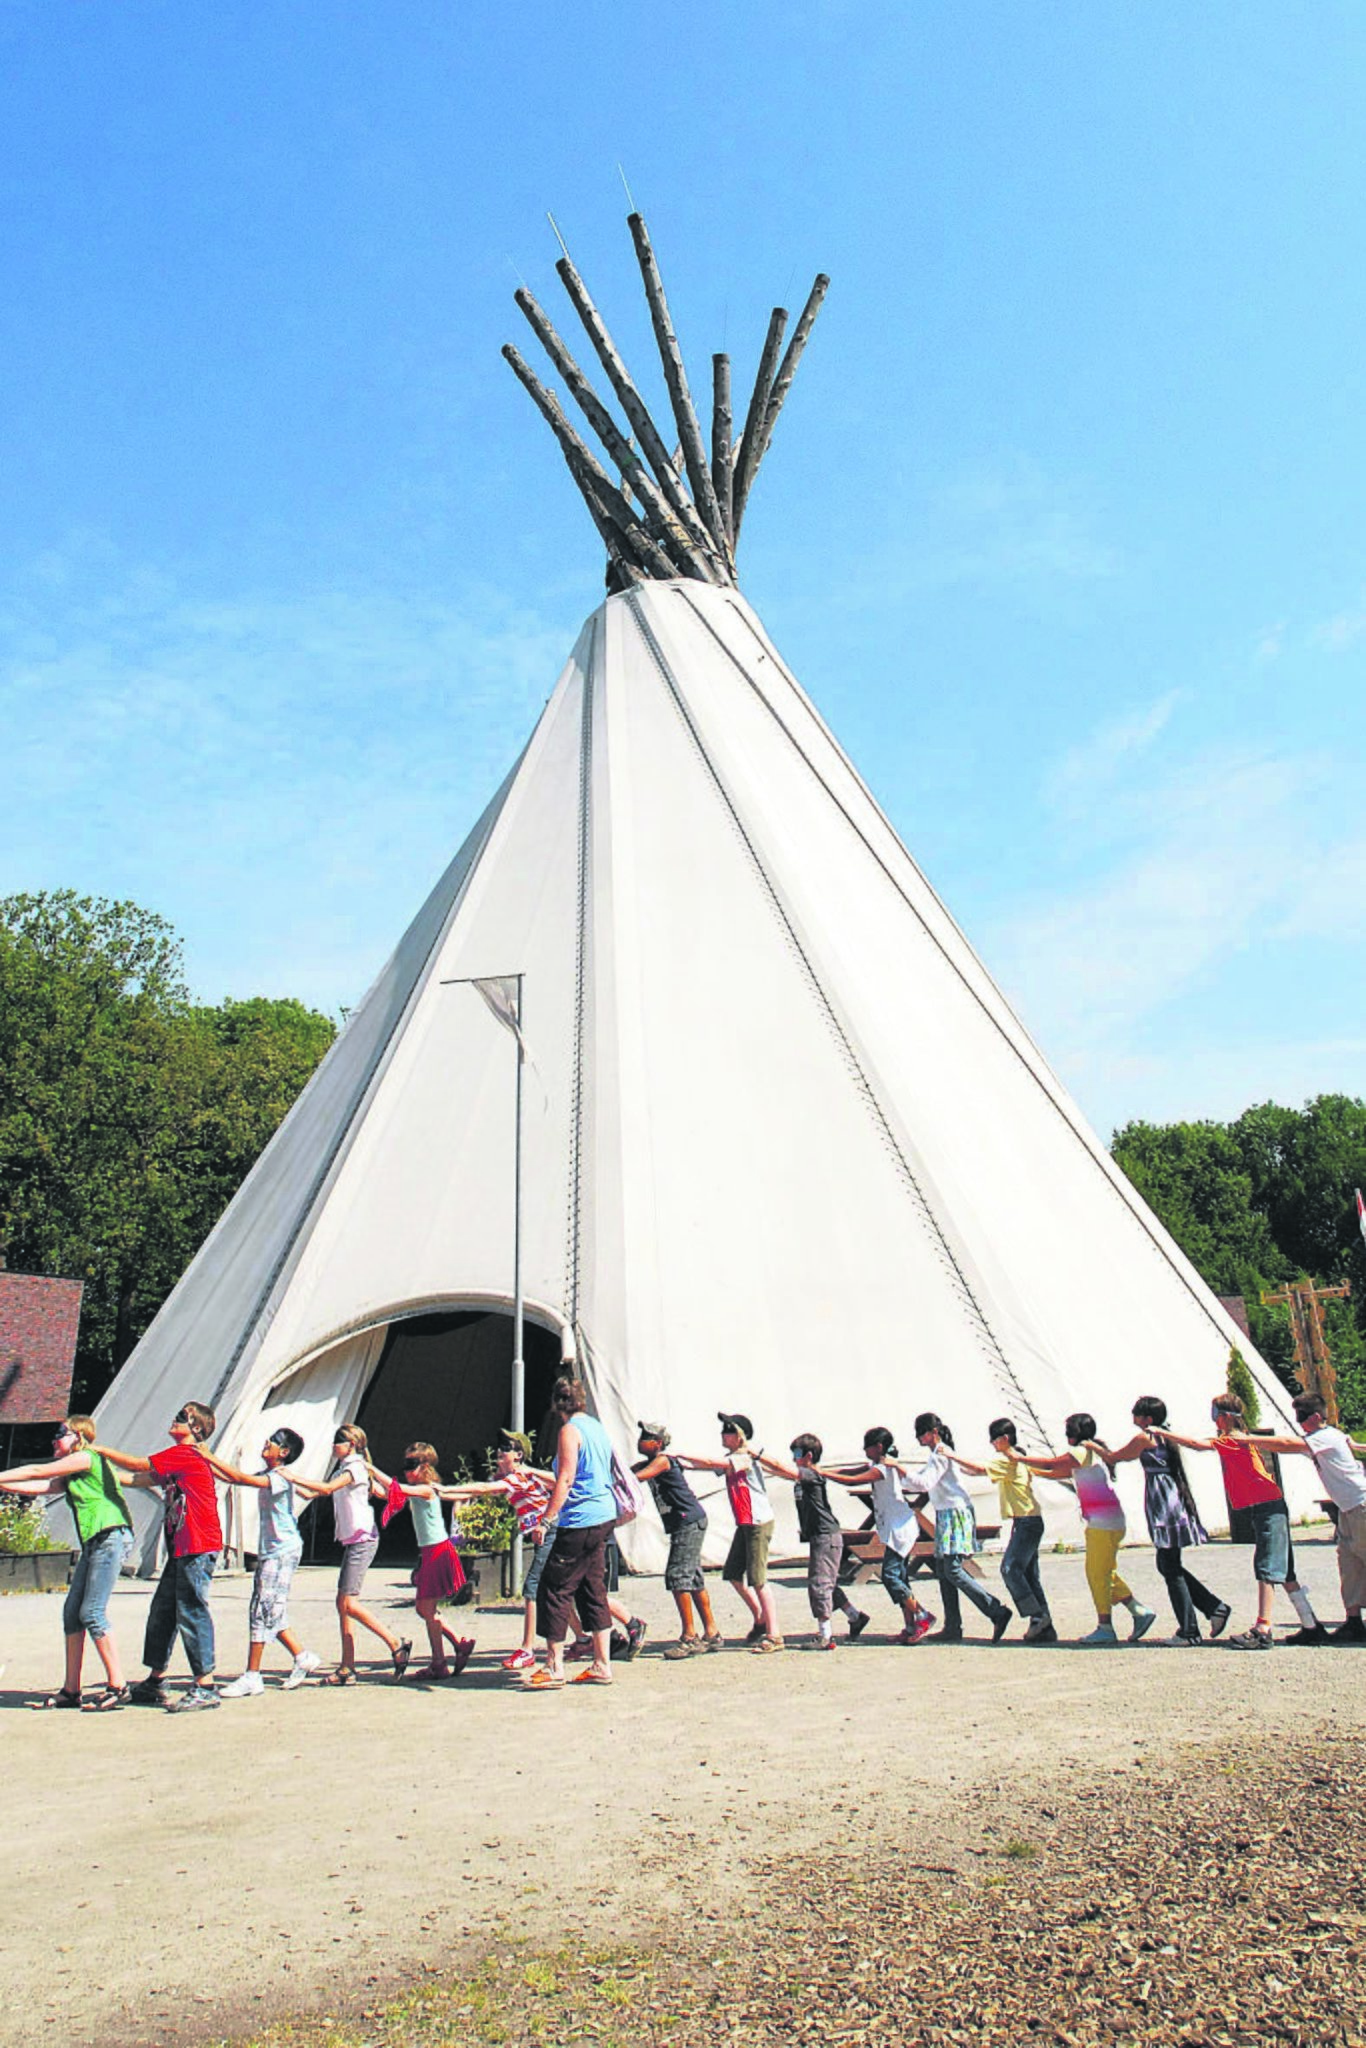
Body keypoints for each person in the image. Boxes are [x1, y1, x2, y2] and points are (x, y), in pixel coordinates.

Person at [1149, 1393, 1325, 1649]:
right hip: (1266, 1505)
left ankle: (1262, 1629)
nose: (1214, 1419)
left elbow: (1198, 1445)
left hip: (1268, 1506)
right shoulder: (1231, 1438)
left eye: (1216, 1414)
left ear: (1227, 1416)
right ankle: (1311, 1625)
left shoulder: (1233, 1439)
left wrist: (1163, 1433)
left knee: (1266, 1567)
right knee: (1285, 1571)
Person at [95, 1401, 227, 1711]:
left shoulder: (186, 1453)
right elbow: (136, 1480)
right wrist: (96, 1469)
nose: (175, 1418)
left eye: (182, 1417)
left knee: (191, 1610)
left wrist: (101, 1451)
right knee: (164, 1611)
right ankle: (156, 1680)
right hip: (183, 1546)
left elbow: (140, 1466)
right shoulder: (176, 1461)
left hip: (197, 1544)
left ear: (196, 1429)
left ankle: (206, 1686)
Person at [1, 1415, 136, 1710]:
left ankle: (118, 1685)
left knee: (92, 1611)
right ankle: (71, 1690)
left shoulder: (86, 1458)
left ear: (78, 1436)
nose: (54, 1439)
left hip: (109, 1535)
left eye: (60, 1433)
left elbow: (38, 1470)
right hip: (94, 1542)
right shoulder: (75, 1472)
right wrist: (6, 1486)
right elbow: (41, 1486)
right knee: (73, 1612)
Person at [1222, 1393, 1366, 1644]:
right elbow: (1341, 1440)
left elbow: (1288, 1444)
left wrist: (1249, 1439)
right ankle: (1354, 1622)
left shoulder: (1324, 1437)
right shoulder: (1329, 1435)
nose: (1299, 1422)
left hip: (1360, 1505)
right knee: (1349, 1564)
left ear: (1317, 1417)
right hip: (1347, 1509)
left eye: (1303, 1417)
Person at [1007, 1414, 1156, 1646]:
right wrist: (1033, 1472)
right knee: (1106, 1572)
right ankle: (1138, 1611)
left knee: (1096, 1575)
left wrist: (1020, 1459)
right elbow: (1058, 1472)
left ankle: (1105, 1626)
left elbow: (1052, 1464)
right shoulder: (1091, 1451)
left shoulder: (1080, 1451)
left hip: (1102, 1522)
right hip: (1110, 1519)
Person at [200, 1427, 322, 1695]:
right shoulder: (269, 1475)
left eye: (274, 1442)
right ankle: (303, 1657)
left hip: (282, 1551)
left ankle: (252, 1675)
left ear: (284, 1453)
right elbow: (234, 1479)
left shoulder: (278, 1477)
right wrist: (202, 1461)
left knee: (261, 1610)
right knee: (270, 1610)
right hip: (273, 1550)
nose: (267, 1443)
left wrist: (208, 1455)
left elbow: (238, 1476)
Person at [1099, 1397, 1230, 1645]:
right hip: (1173, 1498)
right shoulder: (1165, 1435)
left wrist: (1094, 1447)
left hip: (1163, 1502)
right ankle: (1212, 1608)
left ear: (1147, 1418)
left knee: (1169, 1565)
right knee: (1169, 1563)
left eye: (1137, 1414)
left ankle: (1190, 1629)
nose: (1134, 1418)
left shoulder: (1145, 1438)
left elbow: (1116, 1457)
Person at [289, 1423, 411, 1684]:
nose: (334, 1445)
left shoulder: (354, 1467)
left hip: (363, 1539)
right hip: (354, 1539)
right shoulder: (345, 1468)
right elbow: (314, 1492)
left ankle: (395, 1643)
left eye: (338, 1440)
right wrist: (283, 1481)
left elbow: (325, 1490)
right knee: (342, 1603)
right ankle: (347, 1666)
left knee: (349, 1603)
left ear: (351, 1444)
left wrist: (290, 1477)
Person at [524, 1377, 618, 1690]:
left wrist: (546, 1520)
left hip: (579, 1518)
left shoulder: (569, 1431)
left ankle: (553, 1665)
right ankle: (602, 1663)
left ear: (556, 1403)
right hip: (604, 1514)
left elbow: (565, 1479)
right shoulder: (597, 1428)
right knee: (593, 1588)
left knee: (553, 1588)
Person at [445, 1429, 556, 1673]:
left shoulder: (519, 1477)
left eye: (506, 1448)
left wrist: (443, 1490)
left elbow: (483, 1489)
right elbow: (481, 1489)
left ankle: (527, 1650)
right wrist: (442, 1492)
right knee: (561, 1591)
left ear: (518, 1455)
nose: (499, 1451)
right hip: (545, 1534)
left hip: (550, 1533)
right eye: (500, 1447)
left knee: (532, 1589)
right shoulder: (514, 1477)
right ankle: (588, 1637)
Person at [896, 1414, 1012, 1644]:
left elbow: (925, 1483)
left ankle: (995, 1610)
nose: (919, 1437)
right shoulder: (937, 1453)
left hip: (954, 1512)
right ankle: (953, 1625)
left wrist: (898, 1471)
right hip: (946, 1512)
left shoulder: (941, 1453)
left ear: (934, 1432)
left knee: (952, 1569)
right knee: (943, 1568)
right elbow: (922, 1480)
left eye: (922, 1432)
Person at [816, 1428, 936, 1644]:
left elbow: (853, 1481)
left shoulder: (883, 1469)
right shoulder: (877, 1465)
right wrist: (821, 1469)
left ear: (878, 1447)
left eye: (868, 1446)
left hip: (901, 1529)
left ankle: (923, 1615)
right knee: (900, 1579)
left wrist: (824, 1475)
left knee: (890, 1576)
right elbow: (851, 1472)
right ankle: (910, 1627)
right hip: (895, 1528)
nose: (865, 1451)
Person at [677, 1414, 782, 1652]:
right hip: (745, 1523)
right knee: (733, 1573)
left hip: (757, 1522)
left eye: (728, 1431)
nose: (723, 1435)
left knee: (758, 1580)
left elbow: (709, 1462)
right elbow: (705, 1465)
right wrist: (677, 1462)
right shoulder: (731, 1458)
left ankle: (774, 1634)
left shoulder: (744, 1457)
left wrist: (680, 1456)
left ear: (739, 1435)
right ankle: (760, 1617)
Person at [947, 1417, 1056, 1643]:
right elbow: (978, 1471)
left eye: (995, 1439)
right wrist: (956, 1466)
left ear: (1005, 1439)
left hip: (1027, 1522)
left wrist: (948, 1454)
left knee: (1010, 1569)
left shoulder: (1009, 1459)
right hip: (1028, 1521)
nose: (992, 1444)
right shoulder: (1017, 1458)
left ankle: (1037, 1616)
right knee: (1028, 1574)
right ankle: (1044, 1625)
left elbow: (978, 1468)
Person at [757, 1433, 869, 1650]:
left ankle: (825, 1636)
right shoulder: (803, 1476)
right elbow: (780, 1470)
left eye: (797, 1454)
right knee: (827, 1583)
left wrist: (757, 1455)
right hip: (821, 1536)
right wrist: (755, 1465)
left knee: (819, 1584)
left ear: (808, 1455)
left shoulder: (811, 1474)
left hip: (826, 1536)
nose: (793, 1458)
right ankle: (855, 1617)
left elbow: (781, 1467)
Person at [373, 1442, 474, 1681]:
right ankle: (452, 1650)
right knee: (426, 1609)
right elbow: (389, 1493)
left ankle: (446, 1656)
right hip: (431, 1551)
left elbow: (394, 1488)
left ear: (424, 1465)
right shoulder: (417, 1489)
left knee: (425, 1609)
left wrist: (369, 1467)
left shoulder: (427, 1489)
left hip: (438, 1551)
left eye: (411, 1465)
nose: (407, 1470)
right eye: (405, 1465)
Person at [633, 1422, 721, 1659]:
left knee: (678, 1576)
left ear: (658, 1444)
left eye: (646, 1437)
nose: (640, 1440)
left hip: (688, 1522)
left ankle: (689, 1637)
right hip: (687, 1522)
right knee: (692, 1577)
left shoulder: (662, 1461)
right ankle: (711, 1632)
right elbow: (628, 1471)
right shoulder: (650, 1461)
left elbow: (637, 1477)